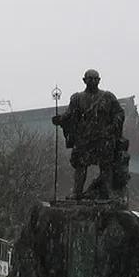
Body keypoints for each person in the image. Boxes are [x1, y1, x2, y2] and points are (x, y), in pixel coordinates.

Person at [52, 69, 127, 199]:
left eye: (95, 78)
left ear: (99, 80)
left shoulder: (108, 97)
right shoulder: (77, 98)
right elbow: (70, 114)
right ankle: (77, 192)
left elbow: (119, 112)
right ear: (84, 80)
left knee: (106, 166)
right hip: (84, 137)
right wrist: (61, 119)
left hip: (103, 137)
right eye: (89, 78)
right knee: (81, 165)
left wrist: (113, 126)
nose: (92, 81)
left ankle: (107, 191)